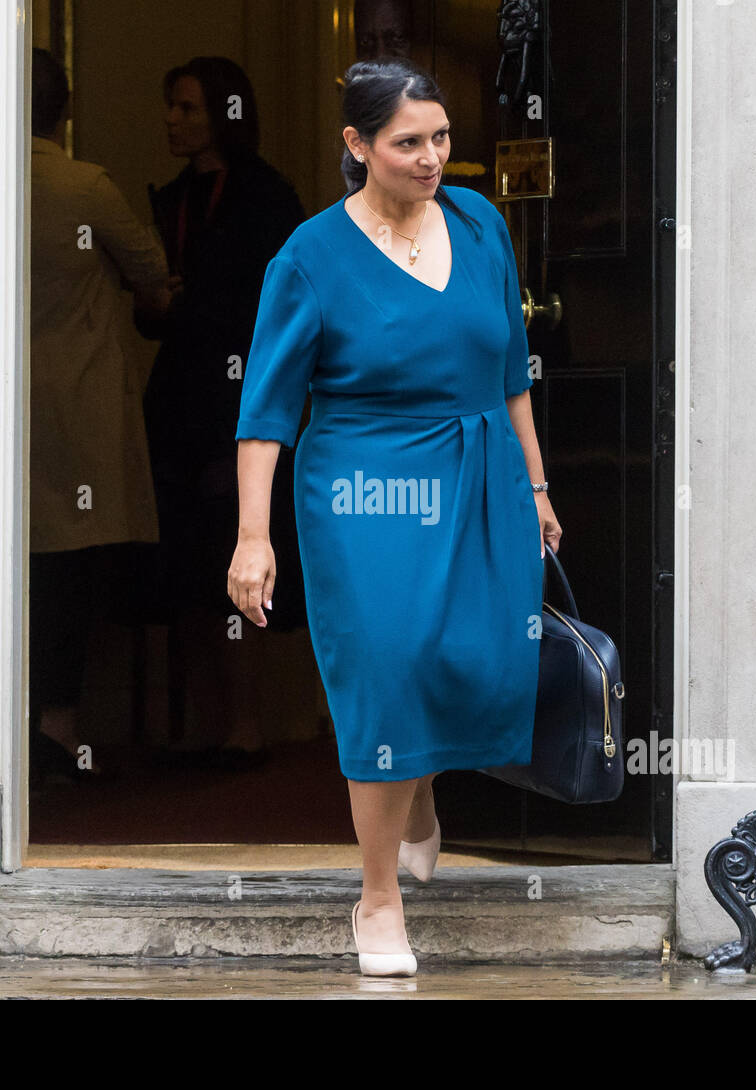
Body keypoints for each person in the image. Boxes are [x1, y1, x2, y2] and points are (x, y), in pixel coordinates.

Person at [228, 59, 563, 976]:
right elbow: (264, 412)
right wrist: (253, 538)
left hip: (481, 470)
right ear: (358, 146)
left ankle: (418, 798)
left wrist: (535, 487)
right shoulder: (309, 257)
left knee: (469, 658)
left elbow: (511, 372)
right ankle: (377, 903)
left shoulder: (482, 224)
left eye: (441, 140)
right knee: (386, 663)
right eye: (407, 143)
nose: (430, 158)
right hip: (361, 490)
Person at [138, 57, 307, 769]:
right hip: (178, 396)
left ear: (224, 113)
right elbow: (152, 319)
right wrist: (161, 303)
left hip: (243, 399)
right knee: (183, 558)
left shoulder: (268, 197)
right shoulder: (170, 196)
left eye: (187, 108)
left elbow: (282, 307)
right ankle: (201, 728)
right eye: (171, 107)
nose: (173, 120)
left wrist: (196, 302)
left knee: (237, 549)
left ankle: (248, 727)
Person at [29, 48, 175, 782]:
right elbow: (154, 275)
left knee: (15, 573)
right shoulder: (85, 186)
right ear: (67, 108)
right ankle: (57, 730)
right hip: (76, 405)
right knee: (69, 577)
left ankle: (13, 731)